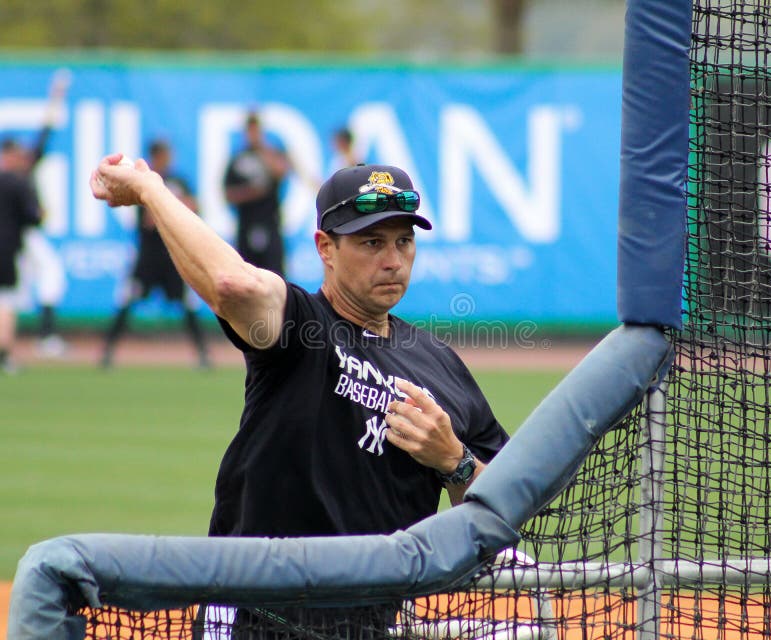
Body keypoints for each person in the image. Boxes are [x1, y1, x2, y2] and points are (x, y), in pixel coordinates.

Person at [90, 158, 509, 637]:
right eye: (372, 242)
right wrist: (149, 189)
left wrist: (452, 460)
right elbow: (231, 284)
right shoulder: (301, 328)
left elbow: (506, 509)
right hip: (259, 615)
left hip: (368, 625)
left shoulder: (441, 365)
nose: (392, 259)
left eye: (403, 241)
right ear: (325, 248)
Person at [100, 140, 210, 369]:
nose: (167, 159)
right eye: (163, 154)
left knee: (187, 303)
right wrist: (175, 206)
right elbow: (149, 220)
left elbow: (196, 208)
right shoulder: (143, 181)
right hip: (148, 258)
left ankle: (203, 355)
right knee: (128, 299)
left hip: (174, 255)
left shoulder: (178, 181)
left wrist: (175, 206)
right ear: (155, 156)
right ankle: (107, 352)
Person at [16, 69, 71, 357]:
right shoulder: (14, 175)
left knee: (48, 276)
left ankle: (46, 337)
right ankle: (45, 338)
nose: (25, 155)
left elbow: (45, 132)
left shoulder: (24, 168)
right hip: (16, 238)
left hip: (23, 236)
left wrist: (57, 94)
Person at [223, 111, 290, 275]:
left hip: (270, 223)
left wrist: (262, 148)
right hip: (246, 224)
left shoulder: (271, 154)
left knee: (275, 274)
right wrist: (250, 193)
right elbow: (228, 194)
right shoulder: (238, 159)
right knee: (248, 273)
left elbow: (281, 171)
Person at [0, 140, 42, 373]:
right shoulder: (18, 182)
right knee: (6, 300)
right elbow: (33, 217)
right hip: (6, 249)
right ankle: (5, 354)